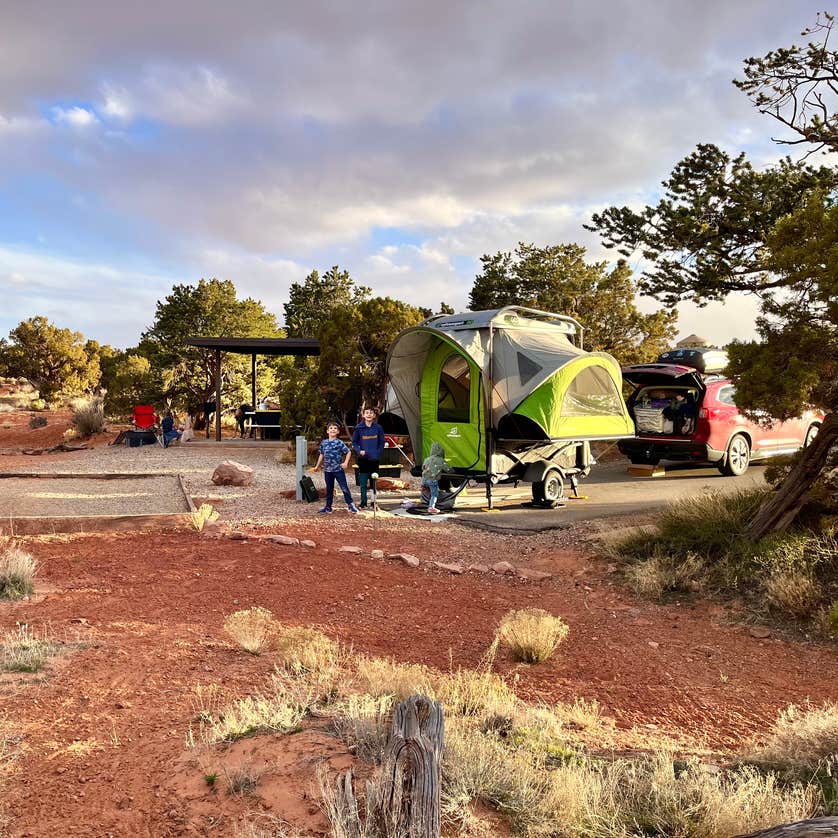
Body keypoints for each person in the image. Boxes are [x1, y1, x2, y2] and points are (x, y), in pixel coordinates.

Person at [312, 421, 359, 514]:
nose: (333, 430)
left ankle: (351, 505)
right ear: (327, 431)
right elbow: (321, 454)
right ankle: (328, 507)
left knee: (344, 488)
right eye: (331, 428)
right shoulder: (324, 443)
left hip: (338, 470)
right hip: (327, 470)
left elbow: (348, 452)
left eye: (335, 428)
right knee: (329, 489)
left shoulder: (339, 443)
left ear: (337, 432)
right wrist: (317, 466)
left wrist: (345, 463)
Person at [352, 407, 385, 509]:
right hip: (363, 460)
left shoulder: (378, 428)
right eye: (367, 413)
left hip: (374, 459)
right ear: (363, 415)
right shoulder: (359, 428)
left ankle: (374, 502)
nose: (369, 414)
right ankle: (363, 503)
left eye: (371, 413)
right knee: (363, 482)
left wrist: (378, 452)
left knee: (373, 482)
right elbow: (354, 442)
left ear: (374, 415)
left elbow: (381, 442)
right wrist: (359, 450)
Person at [421, 442, 451, 515]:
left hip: (424, 480)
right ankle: (431, 507)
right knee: (434, 494)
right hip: (432, 480)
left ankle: (426, 502)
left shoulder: (427, 459)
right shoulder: (441, 460)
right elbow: (448, 469)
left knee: (428, 492)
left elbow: (423, 467)